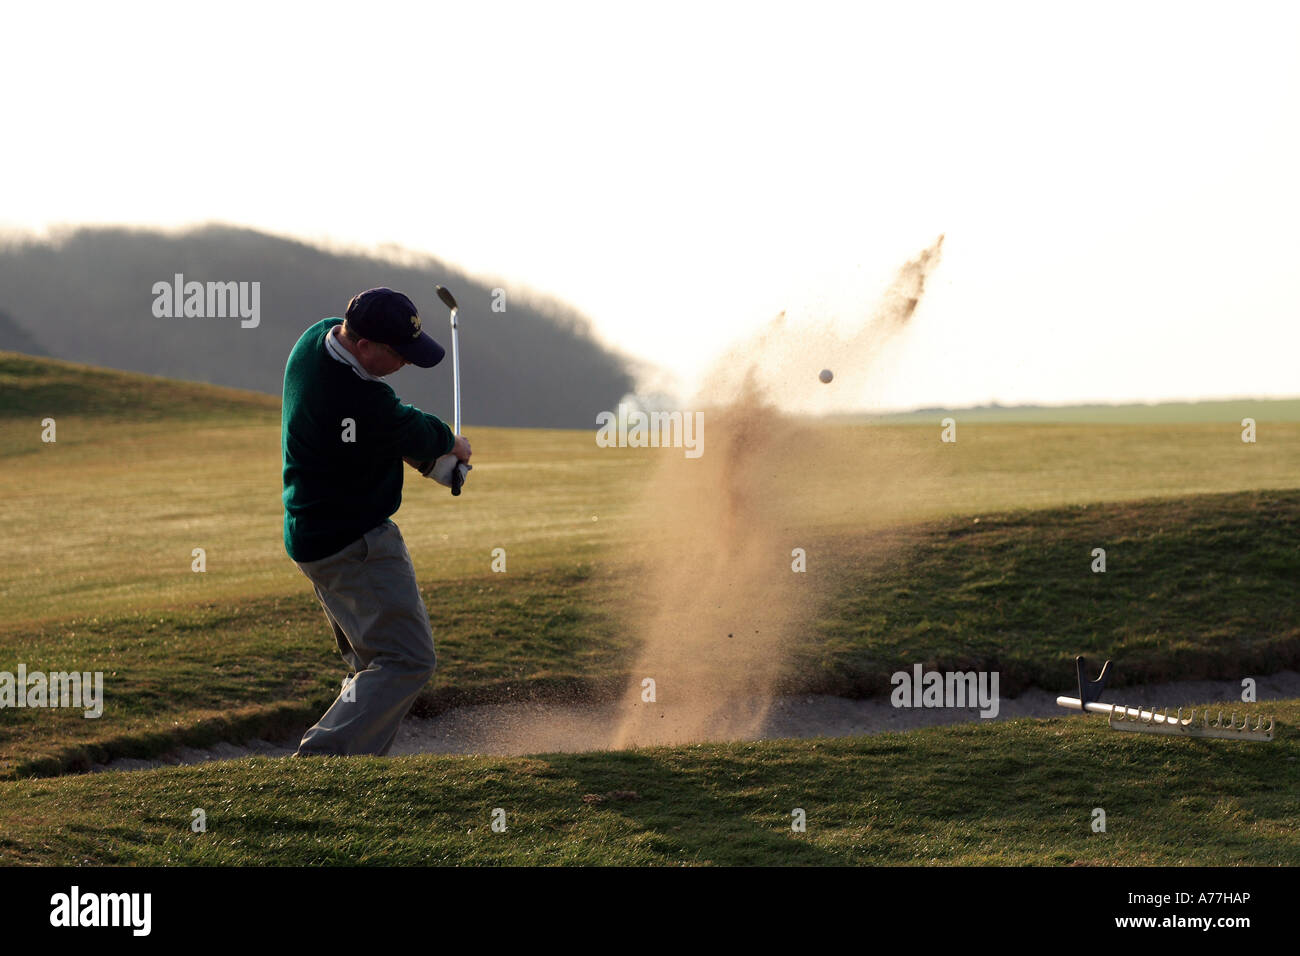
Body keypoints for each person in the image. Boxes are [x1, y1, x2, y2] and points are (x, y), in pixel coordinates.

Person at [280, 287, 471, 755]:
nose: (405, 363)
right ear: (364, 346)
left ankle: (355, 770)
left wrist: (431, 458)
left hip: (314, 537)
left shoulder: (316, 338)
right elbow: (410, 428)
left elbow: (389, 432)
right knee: (407, 659)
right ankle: (322, 762)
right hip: (355, 544)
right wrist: (452, 446)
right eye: (398, 354)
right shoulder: (355, 400)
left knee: (374, 664)